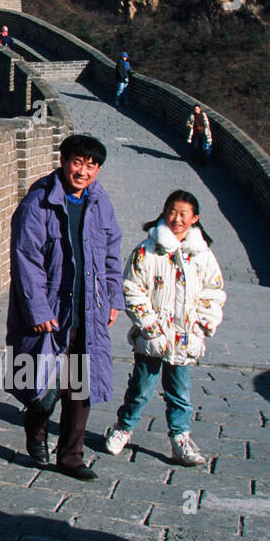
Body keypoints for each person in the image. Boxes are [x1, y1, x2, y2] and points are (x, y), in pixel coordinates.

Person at [6, 133, 125, 480]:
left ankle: (71, 456)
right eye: (77, 162)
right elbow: (26, 260)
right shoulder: (38, 204)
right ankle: (36, 426)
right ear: (63, 161)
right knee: (45, 382)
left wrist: (113, 298)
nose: (83, 171)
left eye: (91, 165)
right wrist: (38, 309)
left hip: (90, 310)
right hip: (53, 311)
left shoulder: (101, 204)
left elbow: (111, 255)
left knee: (81, 383)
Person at [104, 190, 225, 466]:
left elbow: (214, 291)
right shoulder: (146, 251)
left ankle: (180, 437)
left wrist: (202, 326)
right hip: (153, 336)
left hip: (185, 337)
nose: (177, 219)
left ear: (195, 218)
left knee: (180, 391)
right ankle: (123, 428)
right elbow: (132, 287)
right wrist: (149, 325)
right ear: (164, 212)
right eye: (172, 211)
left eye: (184, 214)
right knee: (141, 387)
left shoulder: (203, 256)